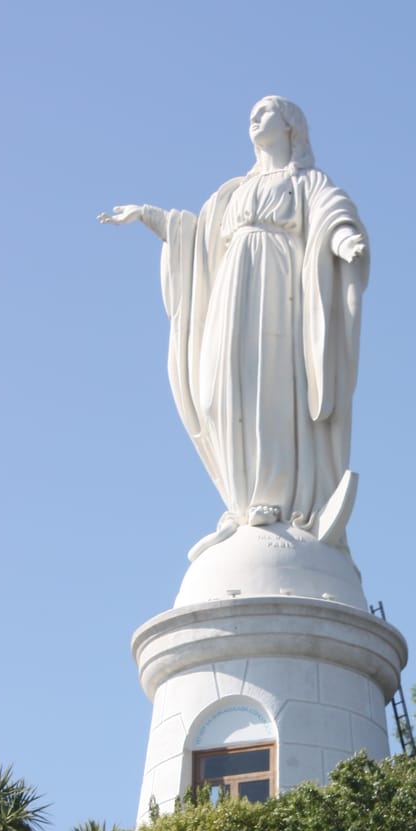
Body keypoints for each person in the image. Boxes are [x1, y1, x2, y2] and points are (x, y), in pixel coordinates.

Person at [100, 97, 369, 553]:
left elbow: (331, 213)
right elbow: (201, 238)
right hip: (232, 290)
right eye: (252, 113)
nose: (254, 118)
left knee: (271, 387)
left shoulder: (305, 180)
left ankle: (276, 497)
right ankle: (243, 500)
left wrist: (343, 241)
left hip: (279, 286)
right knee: (222, 388)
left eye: (266, 111)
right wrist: (151, 216)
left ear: (290, 127)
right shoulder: (234, 191)